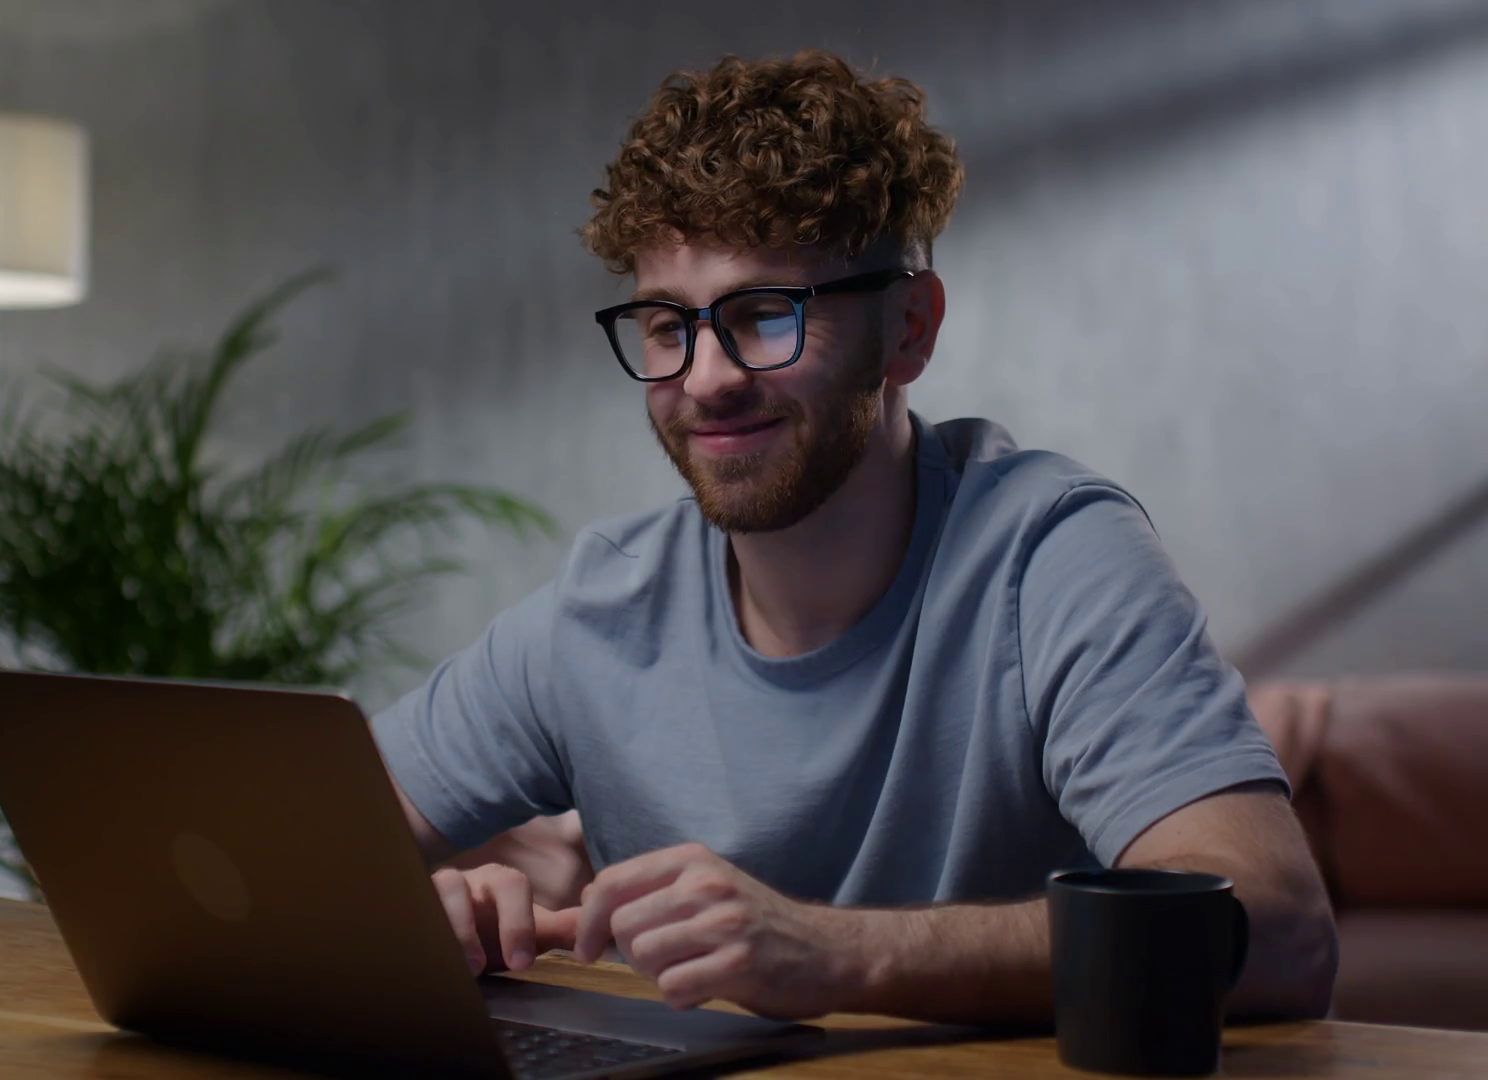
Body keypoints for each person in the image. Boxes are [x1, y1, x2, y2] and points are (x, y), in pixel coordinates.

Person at [370, 50, 1336, 1025]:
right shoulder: (601, 608)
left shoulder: (1050, 555)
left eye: (763, 314)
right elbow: (278, 857)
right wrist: (430, 914)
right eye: (668, 325)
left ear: (910, 329)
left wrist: (839, 953)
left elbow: (1282, 933)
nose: (706, 378)